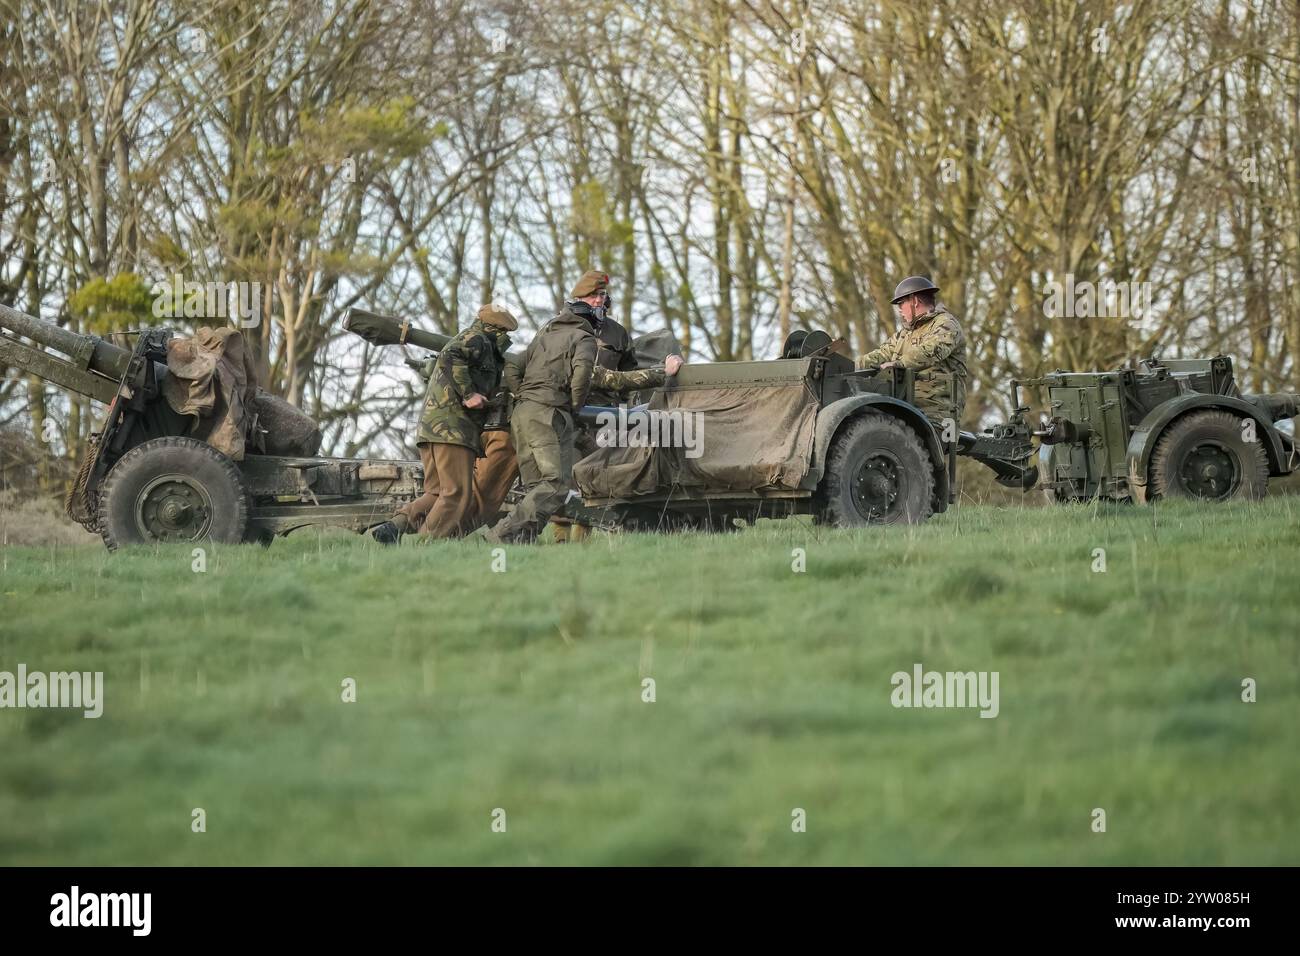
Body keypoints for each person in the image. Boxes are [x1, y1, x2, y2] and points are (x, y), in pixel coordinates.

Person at [486, 271, 680, 544]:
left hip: (530, 413)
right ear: (581, 305)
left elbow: (515, 365)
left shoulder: (551, 332)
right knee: (556, 484)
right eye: (594, 297)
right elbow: (591, 379)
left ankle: (522, 540)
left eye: (602, 296)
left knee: (538, 485)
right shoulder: (582, 337)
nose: (601, 301)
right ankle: (503, 534)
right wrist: (663, 372)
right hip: (556, 415)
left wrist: (525, 396)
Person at [371, 303, 517, 543]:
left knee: (437, 492)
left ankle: (395, 527)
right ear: (496, 329)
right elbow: (451, 355)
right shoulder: (477, 338)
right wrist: (469, 394)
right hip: (453, 430)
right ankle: (426, 545)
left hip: (432, 427)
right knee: (456, 493)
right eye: (505, 333)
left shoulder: (473, 337)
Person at [856, 275, 968, 424]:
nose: (899, 310)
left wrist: (899, 364)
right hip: (904, 404)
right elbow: (881, 354)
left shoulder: (946, 324)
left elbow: (932, 350)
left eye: (901, 304)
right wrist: (848, 365)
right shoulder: (905, 334)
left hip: (935, 410)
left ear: (915, 301)